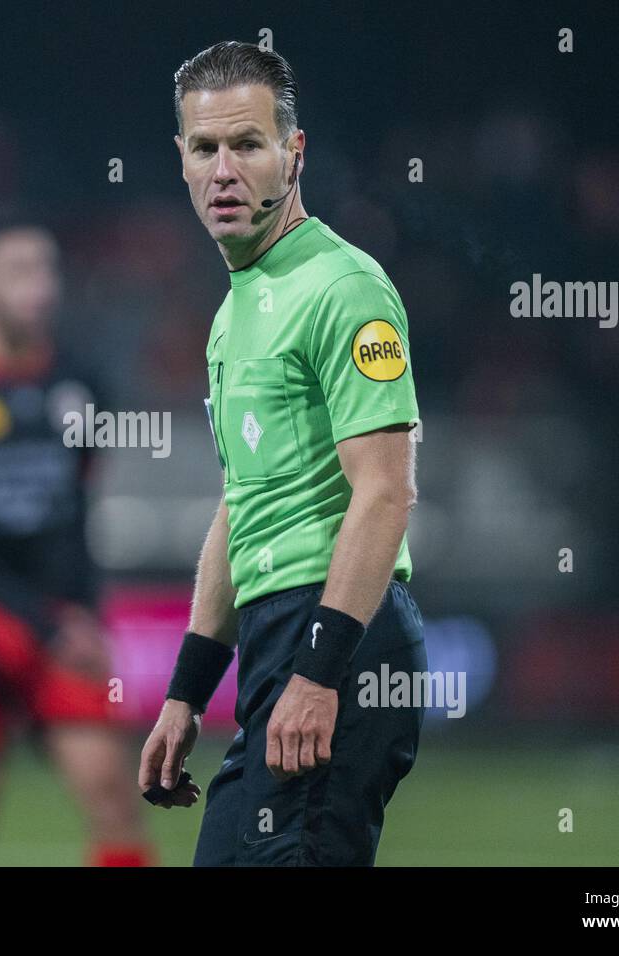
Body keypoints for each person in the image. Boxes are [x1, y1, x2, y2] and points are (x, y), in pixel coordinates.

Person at [138, 40, 429, 866]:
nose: (223, 170)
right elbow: (245, 506)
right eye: (204, 148)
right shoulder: (235, 313)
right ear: (181, 161)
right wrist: (187, 693)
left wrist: (319, 674)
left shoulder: (344, 287)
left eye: (247, 145)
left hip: (339, 634)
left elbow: (383, 493)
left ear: (293, 153)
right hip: (278, 642)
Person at [0, 214, 152, 866]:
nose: (38, 287)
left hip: (57, 618)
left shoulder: (80, 384)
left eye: (46, 269)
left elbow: (77, 516)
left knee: (111, 796)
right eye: (17, 270)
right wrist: (44, 626)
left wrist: (83, 615)